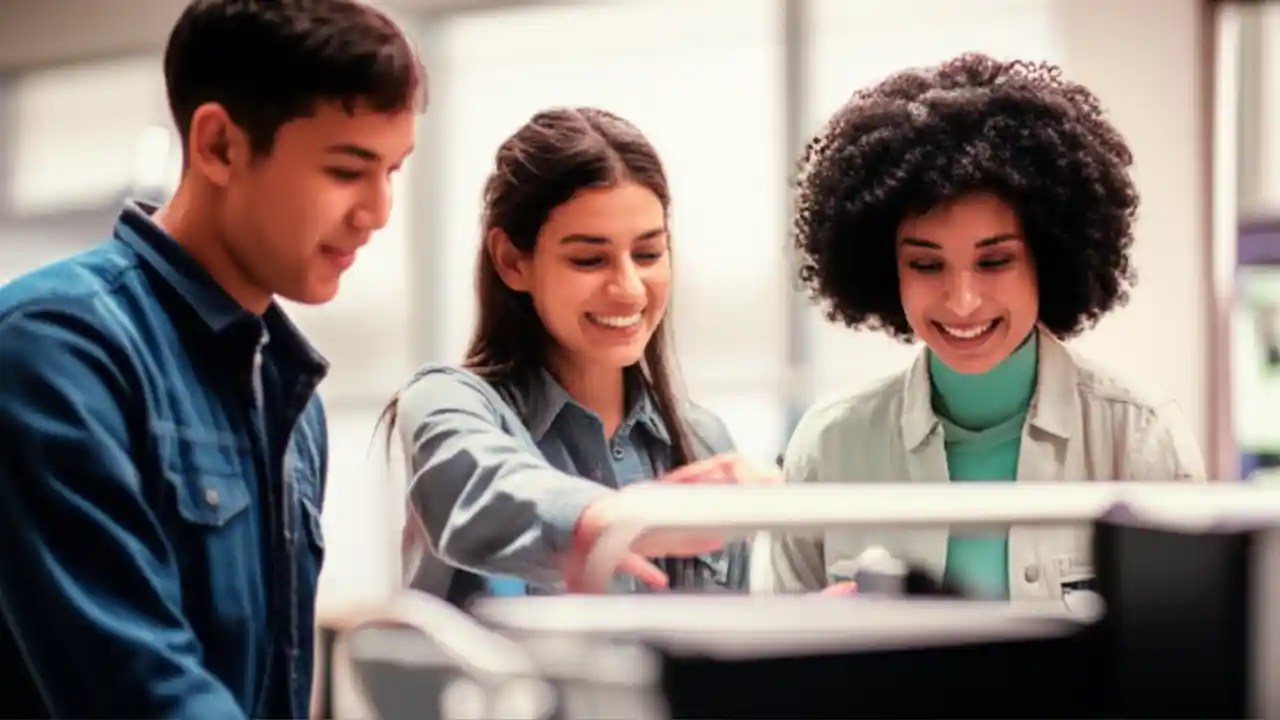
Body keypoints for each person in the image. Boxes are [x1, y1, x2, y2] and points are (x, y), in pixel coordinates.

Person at [0, 1, 424, 716]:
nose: (378, 211)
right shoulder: (55, 350)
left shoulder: (290, 395)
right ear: (220, 145)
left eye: (393, 170)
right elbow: (140, 691)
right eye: (347, 169)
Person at [769, 53, 1205, 601]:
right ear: (886, 270)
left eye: (995, 261)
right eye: (927, 265)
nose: (962, 300)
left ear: (1047, 258)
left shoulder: (1141, 440)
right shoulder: (829, 448)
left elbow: (1187, 668)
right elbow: (780, 662)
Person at [386, 107, 773, 605]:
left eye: (649, 254)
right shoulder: (447, 403)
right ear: (511, 261)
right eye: (589, 259)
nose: (629, 289)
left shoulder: (703, 441)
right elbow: (478, 492)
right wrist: (607, 523)